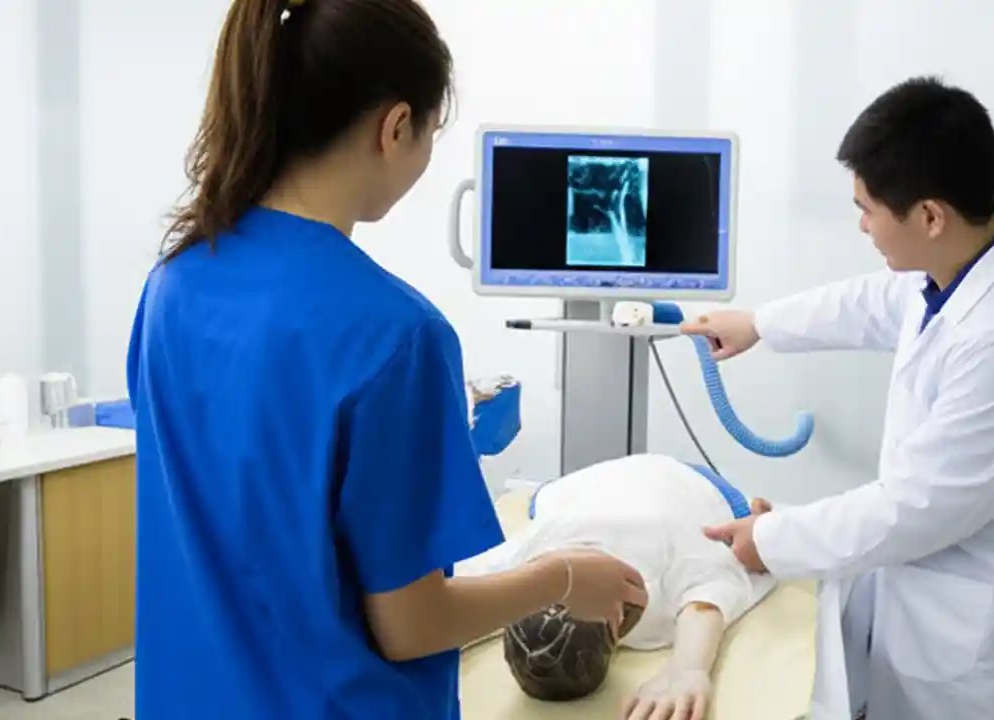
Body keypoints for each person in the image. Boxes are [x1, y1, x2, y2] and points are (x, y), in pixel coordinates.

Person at [125, 1, 646, 717]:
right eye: (430, 133)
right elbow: (412, 625)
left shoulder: (171, 287)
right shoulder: (398, 334)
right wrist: (561, 577)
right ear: (395, 126)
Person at [683, 76, 994, 720]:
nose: (863, 225)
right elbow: (869, 302)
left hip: (965, 655)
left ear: (930, 216)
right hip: (912, 601)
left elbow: (914, 508)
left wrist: (773, 536)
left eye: (868, 208)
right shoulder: (955, 268)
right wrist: (761, 324)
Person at [454, 453, 778, 720]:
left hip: (689, 481)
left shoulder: (665, 548)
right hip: (580, 485)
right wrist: (688, 670)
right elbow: (707, 598)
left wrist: (689, 667)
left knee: (749, 535)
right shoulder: (536, 553)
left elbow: (708, 601)